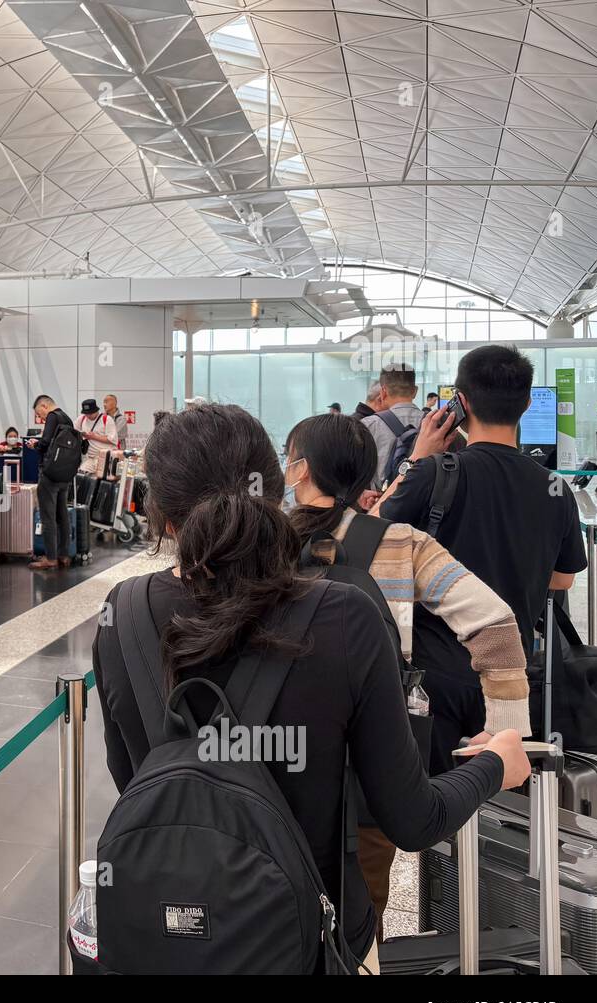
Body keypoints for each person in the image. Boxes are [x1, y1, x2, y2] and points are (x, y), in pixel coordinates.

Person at [93, 402, 531, 973]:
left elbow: (135, 777)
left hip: (162, 933)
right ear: (274, 486)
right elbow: (413, 818)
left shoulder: (121, 613)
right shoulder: (343, 616)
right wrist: (498, 762)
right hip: (310, 940)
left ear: (158, 513)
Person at [284, 412, 530, 938]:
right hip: (373, 771)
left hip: (270, 763)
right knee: (357, 913)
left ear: (298, 471)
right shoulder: (401, 543)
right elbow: (495, 624)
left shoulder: (261, 543)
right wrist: (508, 728)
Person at [376, 344, 587, 769]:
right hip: (510, 677)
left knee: (437, 797)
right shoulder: (554, 487)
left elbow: (372, 530)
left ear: (462, 401)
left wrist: (417, 457)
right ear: (527, 404)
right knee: (495, 786)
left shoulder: (434, 472)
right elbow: (563, 579)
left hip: (435, 676)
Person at [25, 394, 74, 570]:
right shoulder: (67, 418)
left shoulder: (53, 417)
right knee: (62, 516)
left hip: (50, 474)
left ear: (45, 406)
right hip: (65, 473)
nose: (41, 418)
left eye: (40, 414)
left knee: (48, 517)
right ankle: (63, 555)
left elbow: (45, 443)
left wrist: (34, 445)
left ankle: (51, 558)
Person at [362, 364, 423, 485]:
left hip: (381, 501)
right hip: (430, 502)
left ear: (383, 392)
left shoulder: (368, 426)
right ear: (415, 391)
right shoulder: (439, 423)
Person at [76, 397, 119, 478]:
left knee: (103, 483)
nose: (88, 415)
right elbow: (74, 431)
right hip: (90, 458)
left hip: (106, 458)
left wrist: (94, 437)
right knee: (81, 477)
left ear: (96, 410)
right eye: (86, 413)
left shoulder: (106, 419)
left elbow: (112, 440)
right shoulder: (81, 419)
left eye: (90, 413)